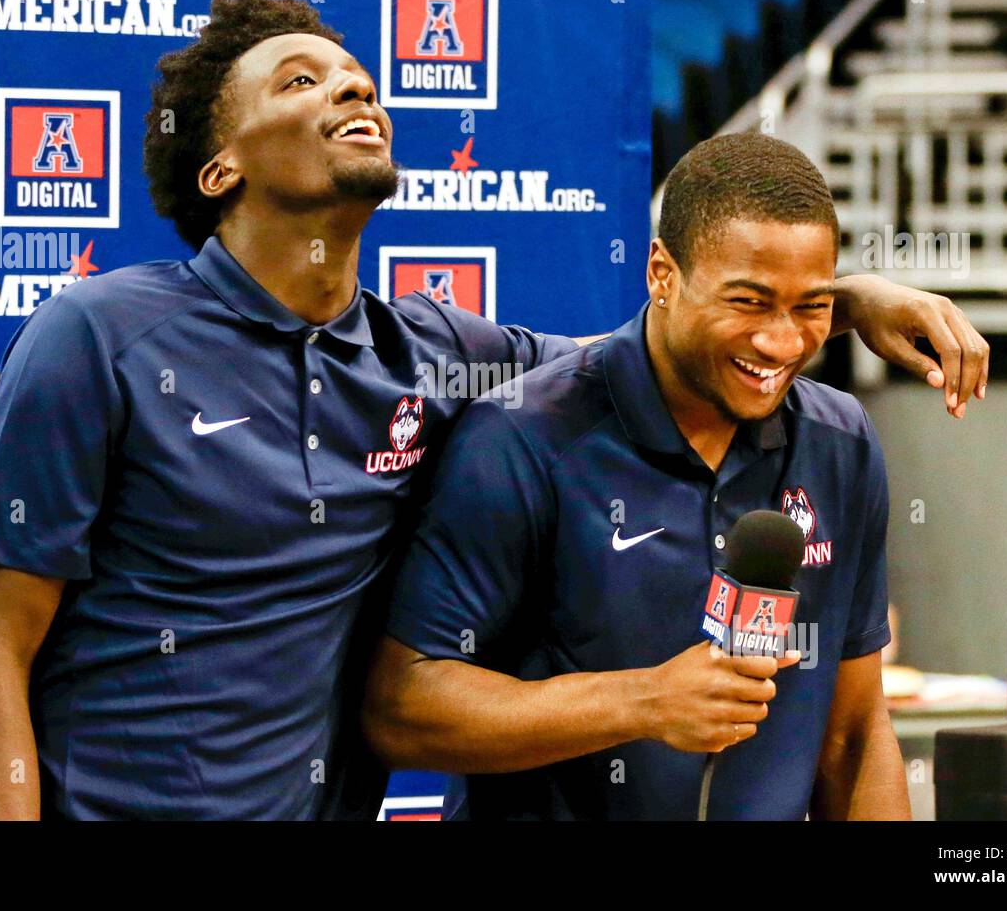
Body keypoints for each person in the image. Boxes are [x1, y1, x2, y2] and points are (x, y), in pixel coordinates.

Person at [0, 0, 980, 820]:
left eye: (359, 80)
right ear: (218, 165)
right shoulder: (101, 335)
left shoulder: (431, 349)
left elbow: (657, 349)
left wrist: (840, 305)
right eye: (303, 82)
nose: (354, 94)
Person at [364, 134, 913, 820]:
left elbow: (854, 733)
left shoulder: (841, 441)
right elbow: (401, 706)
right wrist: (645, 701)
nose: (783, 342)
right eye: (747, 301)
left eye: (811, 307)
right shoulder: (524, 439)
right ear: (661, 273)